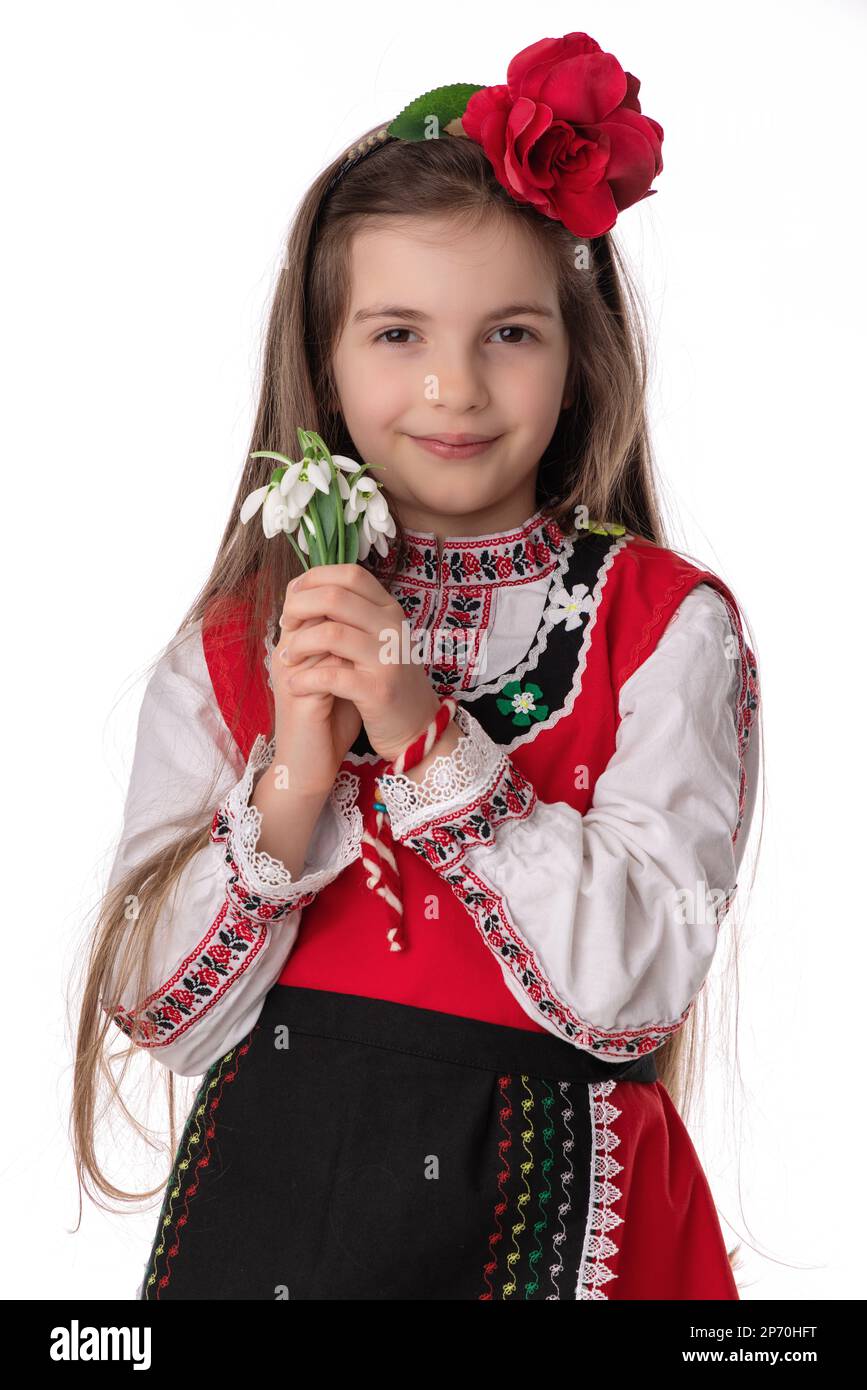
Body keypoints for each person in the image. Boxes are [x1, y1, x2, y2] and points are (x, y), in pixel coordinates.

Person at [72, 30, 763, 1300]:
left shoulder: (662, 626)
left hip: (568, 1222)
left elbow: (637, 988)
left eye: (509, 332)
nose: (454, 385)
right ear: (325, 362)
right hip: (281, 1211)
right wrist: (293, 775)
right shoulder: (239, 639)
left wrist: (429, 735)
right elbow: (163, 1014)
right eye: (397, 333)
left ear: (582, 351)